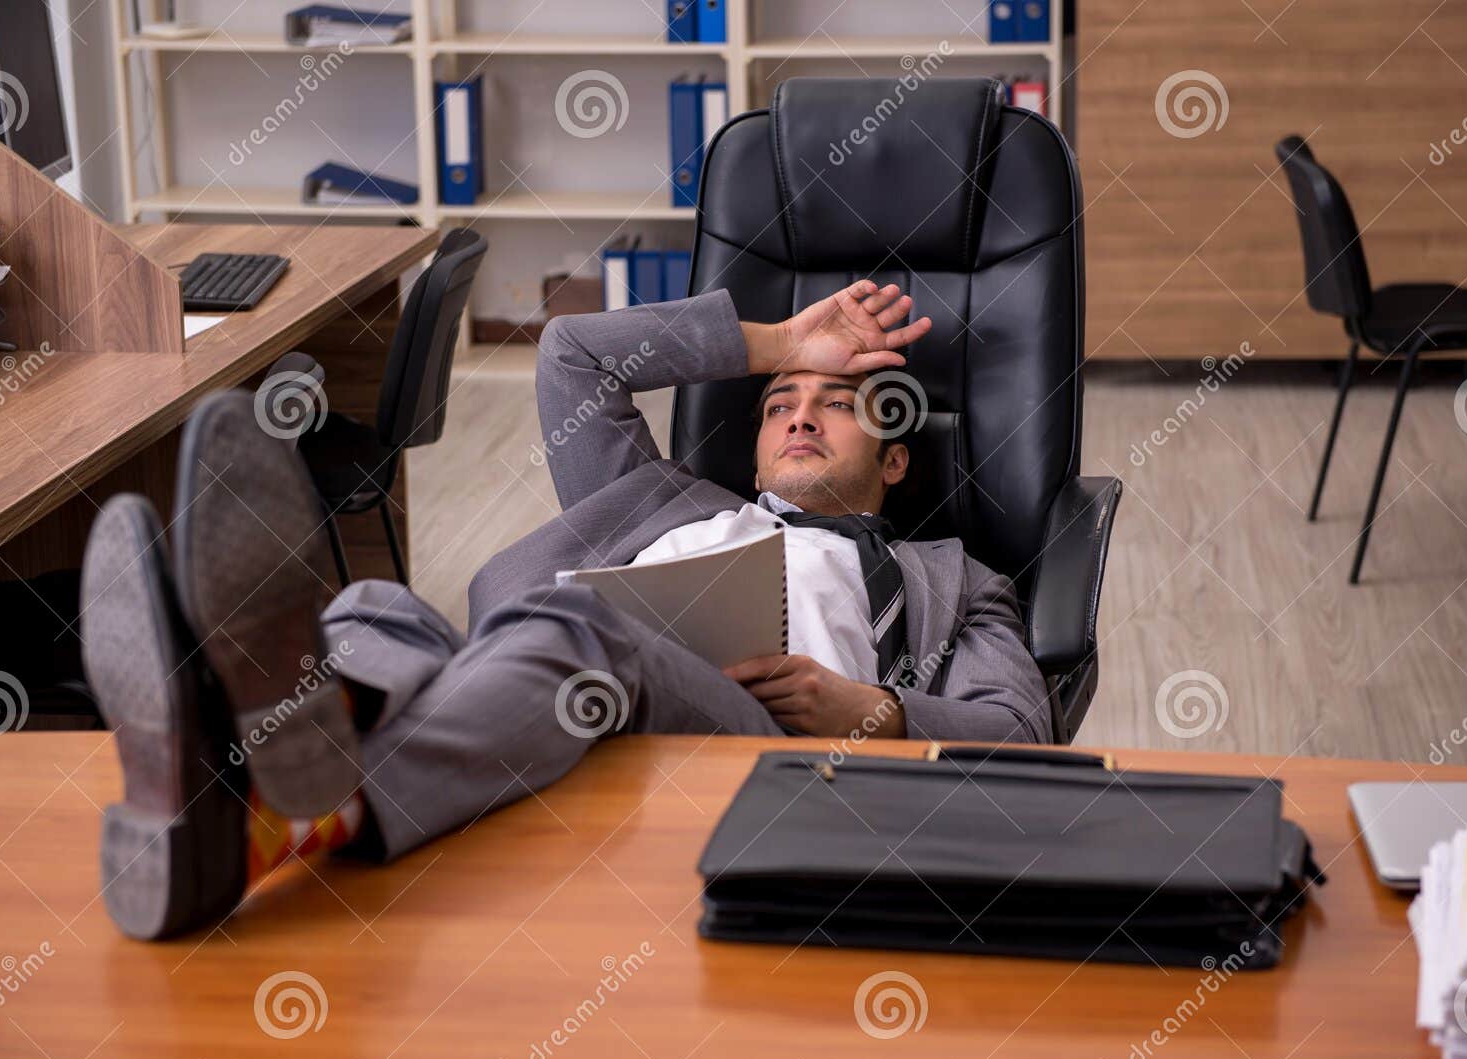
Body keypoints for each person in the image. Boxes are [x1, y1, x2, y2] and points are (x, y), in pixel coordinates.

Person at [81, 281, 1051, 940]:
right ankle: (247, 775)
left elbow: (1021, 731)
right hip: (539, 675)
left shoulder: (952, 580)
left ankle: (256, 796)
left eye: (835, 402)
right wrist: (783, 341)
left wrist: (869, 713)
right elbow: (572, 353)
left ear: (893, 459)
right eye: (776, 403)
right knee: (380, 607)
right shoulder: (660, 495)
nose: (797, 413)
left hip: (758, 752)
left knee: (574, 628)